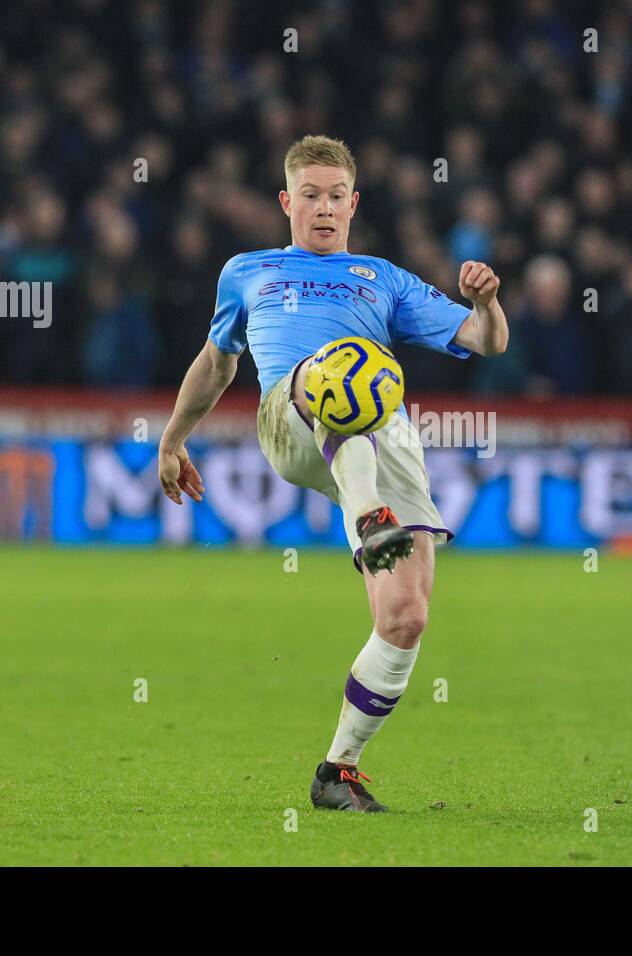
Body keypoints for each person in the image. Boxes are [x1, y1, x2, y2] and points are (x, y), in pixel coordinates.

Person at [157, 136, 507, 812]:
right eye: (310, 195)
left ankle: (336, 771)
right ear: (287, 202)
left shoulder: (385, 278)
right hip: (288, 412)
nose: (323, 207)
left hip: (384, 436)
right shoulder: (247, 271)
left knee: (405, 617)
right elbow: (217, 362)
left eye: (336, 196)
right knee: (339, 372)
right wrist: (174, 438)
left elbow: (485, 342)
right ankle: (370, 516)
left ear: (353, 203)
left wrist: (487, 302)